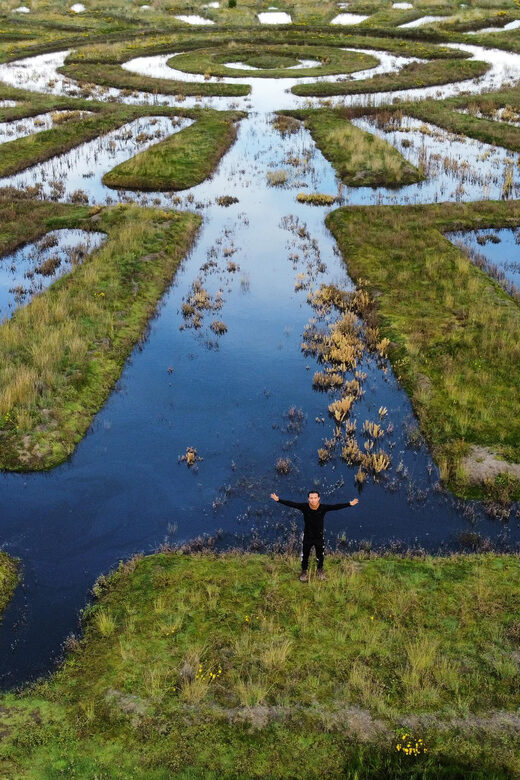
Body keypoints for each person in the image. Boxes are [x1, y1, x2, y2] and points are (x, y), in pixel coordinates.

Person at [270, 490, 359, 582]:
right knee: (305, 555)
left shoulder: (323, 508)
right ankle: (304, 571)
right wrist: (278, 500)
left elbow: (335, 507)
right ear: (308, 499)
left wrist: (349, 504)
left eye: (315, 498)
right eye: (311, 498)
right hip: (308, 536)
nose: (313, 500)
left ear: (318, 498)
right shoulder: (304, 507)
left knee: (320, 555)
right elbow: (292, 504)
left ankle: (320, 570)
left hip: (319, 536)